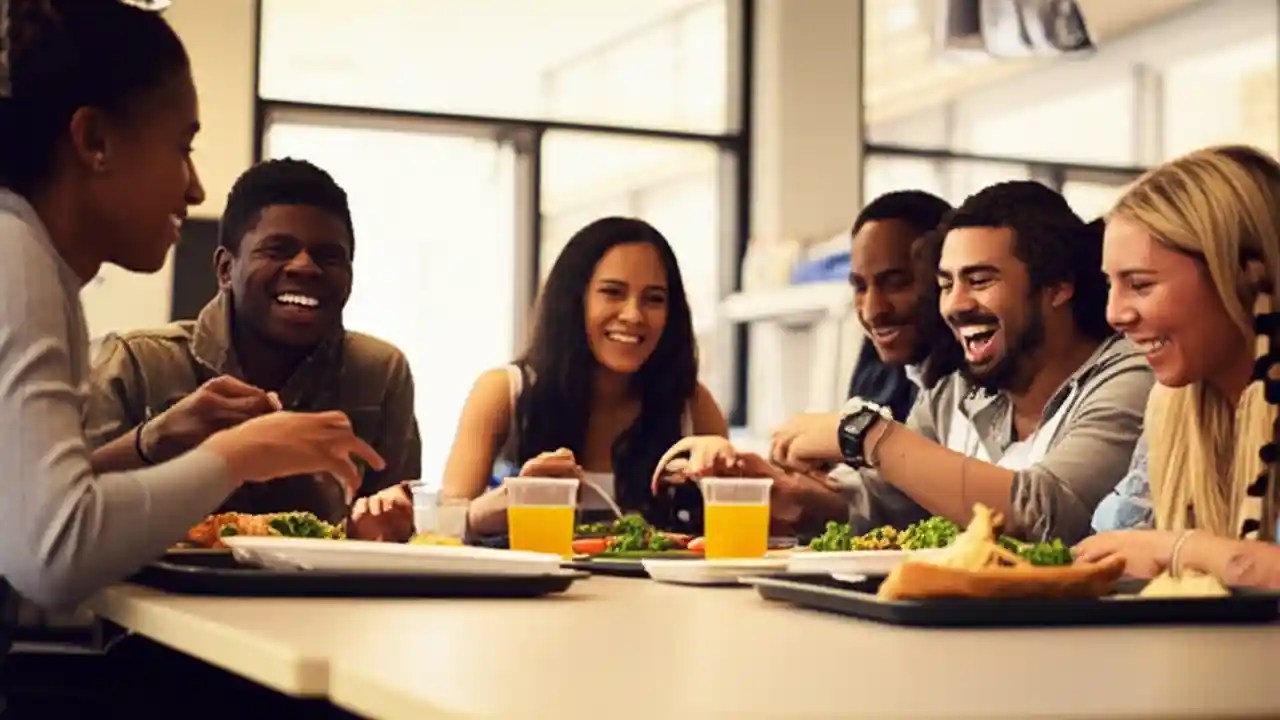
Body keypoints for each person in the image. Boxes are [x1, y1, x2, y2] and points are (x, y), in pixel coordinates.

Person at [0, 0, 382, 712]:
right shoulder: (18, 265)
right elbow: (53, 555)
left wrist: (156, 440)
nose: (196, 186)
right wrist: (242, 454)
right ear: (94, 140)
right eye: (183, 146)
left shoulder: (29, 260)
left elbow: (23, 516)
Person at [665, 182, 1153, 543]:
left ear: (1057, 287)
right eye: (945, 284)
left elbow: (1046, 511)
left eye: (979, 280)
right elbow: (881, 504)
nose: (955, 306)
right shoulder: (954, 393)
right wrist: (779, 492)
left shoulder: (1129, 376)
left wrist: (863, 433)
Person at [82, 158, 421, 542]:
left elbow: (394, 520)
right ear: (226, 269)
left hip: (318, 599)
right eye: (278, 250)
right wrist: (154, 440)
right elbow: (60, 516)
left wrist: (381, 526)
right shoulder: (140, 363)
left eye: (329, 256)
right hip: (152, 595)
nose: (305, 267)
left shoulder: (378, 373)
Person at [442, 217, 727, 536]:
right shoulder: (504, 390)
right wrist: (509, 500)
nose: (633, 315)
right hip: (535, 586)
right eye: (612, 292)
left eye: (654, 299)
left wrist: (729, 474)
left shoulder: (691, 404)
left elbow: (739, 534)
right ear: (574, 299)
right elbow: (440, 528)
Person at [1076, 145, 1280, 583]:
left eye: (1140, 284)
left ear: (1241, 277)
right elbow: (1117, 548)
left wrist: (1181, 548)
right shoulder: (1170, 405)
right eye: (1111, 285)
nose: (1115, 313)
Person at [846, 190, 954, 420]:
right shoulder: (877, 374)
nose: (872, 311)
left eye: (896, 284)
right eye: (860, 287)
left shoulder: (987, 386)